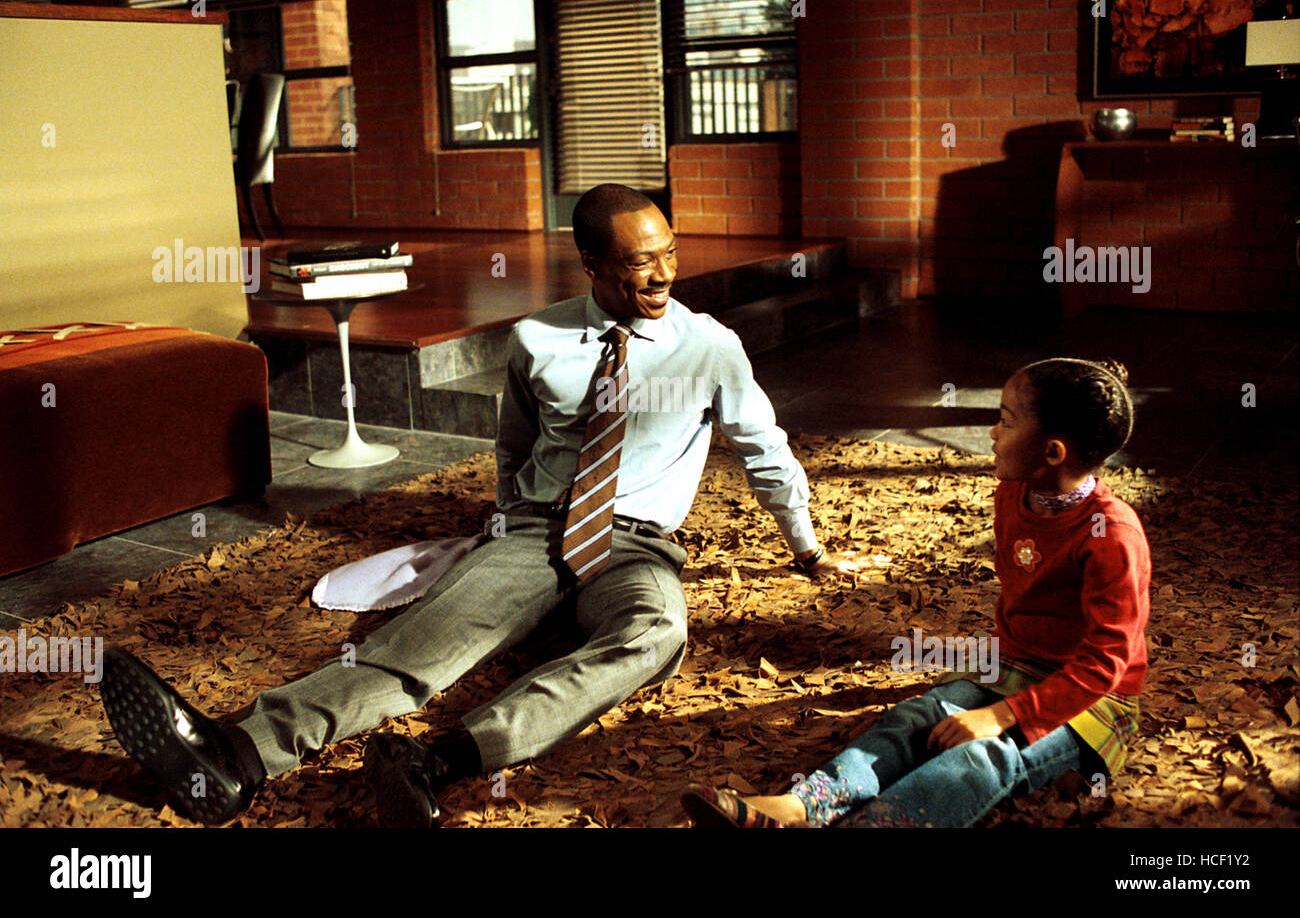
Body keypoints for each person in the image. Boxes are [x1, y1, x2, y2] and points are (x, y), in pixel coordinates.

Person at [98, 183, 857, 827]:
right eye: (638, 262)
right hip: (535, 531)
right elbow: (514, 448)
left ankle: (435, 759)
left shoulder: (711, 345)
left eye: (669, 253)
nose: (661, 274)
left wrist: (810, 549)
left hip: (636, 546)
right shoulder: (536, 338)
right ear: (591, 263)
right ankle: (237, 753)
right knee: (419, 647)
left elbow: (765, 448)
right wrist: (501, 533)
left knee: (658, 634)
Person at [681, 357, 1149, 828]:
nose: (991, 433)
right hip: (1011, 667)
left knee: (982, 758)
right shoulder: (1014, 493)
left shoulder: (1112, 535)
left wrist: (1002, 716)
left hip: (1093, 700)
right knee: (916, 717)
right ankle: (799, 808)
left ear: (1052, 453)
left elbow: (1105, 664)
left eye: (1005, 422)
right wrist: (994, 694)